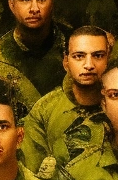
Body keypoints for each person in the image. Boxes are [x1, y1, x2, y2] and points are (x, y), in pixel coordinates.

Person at [22, 23, 111, 172]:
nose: (89, 65)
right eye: (79, 56)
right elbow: (32, 174)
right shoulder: (44, 111)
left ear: (108, 60)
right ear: (66, 62)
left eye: (98, 56)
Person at [0, 0, 70, 95]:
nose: (34, 8)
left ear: (52, 0)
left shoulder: (73, 44)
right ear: (12, 5)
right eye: (25, 0)